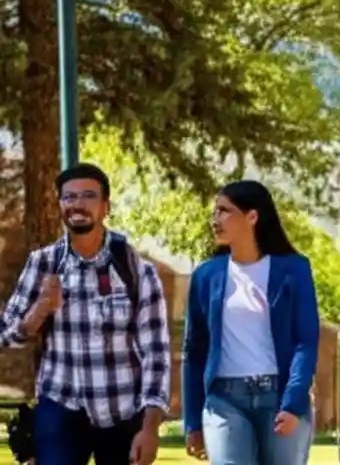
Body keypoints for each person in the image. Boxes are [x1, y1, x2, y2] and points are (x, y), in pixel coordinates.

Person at [0, 163, 170, 465]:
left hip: (122, 412)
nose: (78, 204)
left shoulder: (136, 270)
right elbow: (6, 334)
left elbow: (156, 354)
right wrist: (39, 310)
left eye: (88, 196)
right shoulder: (42, 264)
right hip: (60, 408)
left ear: (105, 206)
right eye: (69, 197)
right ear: (60, 204)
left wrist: (150, 427)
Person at [182, 180, 321, 464]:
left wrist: (294, 403)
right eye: (215, 212)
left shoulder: (293, 270)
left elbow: (306, 342)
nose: (215, 219)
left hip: (279, 397)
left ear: (252, 216)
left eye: (224, 211)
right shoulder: (206, 276)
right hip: (224, 401)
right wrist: (192, 422)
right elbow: (193, 353)